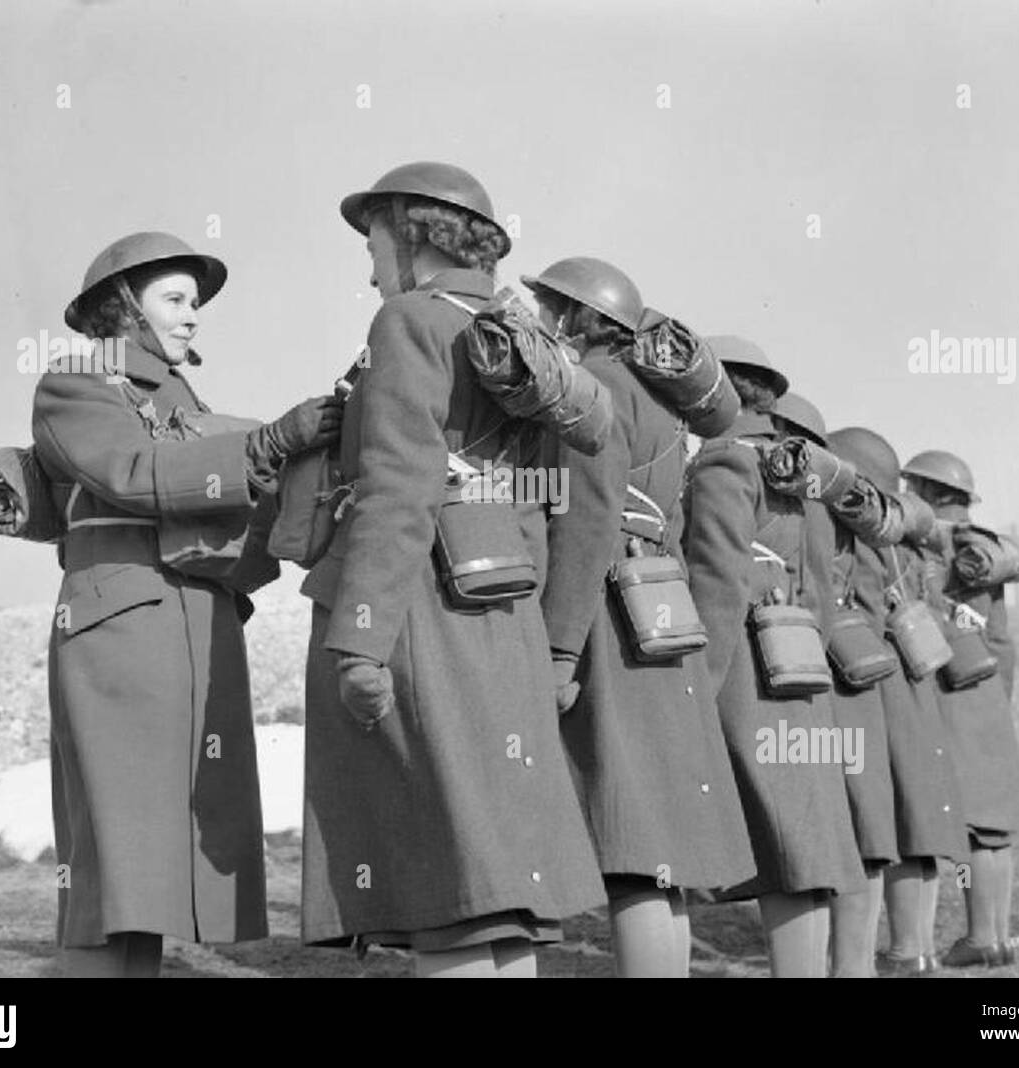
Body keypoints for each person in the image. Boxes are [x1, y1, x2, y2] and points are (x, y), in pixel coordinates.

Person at [299, 163, 606, 977]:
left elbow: (397, 488)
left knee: (443, 885)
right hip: (504, 611)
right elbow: (560, 501)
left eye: (373, 242)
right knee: (500, 884)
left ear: (414, 235)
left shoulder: (409, 321)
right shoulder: (519, 336)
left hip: (420, 613)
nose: (369, 266)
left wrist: (359, 640)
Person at [34, 232, 341, 977]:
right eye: (175, 299)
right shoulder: (76, 382)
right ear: (122, 308)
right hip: (123, 641)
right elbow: (137, 474)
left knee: (151, 889)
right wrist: (268, 443)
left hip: (195, 634)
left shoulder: (181, 399)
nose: (193, 316)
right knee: (111, 871)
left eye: (195, 302)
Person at [523, 260, 756, 977]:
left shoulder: (590, 391)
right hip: (658, 609)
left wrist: (560, 651)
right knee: (655, 850)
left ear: (576, 319)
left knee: (628, 845)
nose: (538, 318)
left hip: (605, 626)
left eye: (549, 308)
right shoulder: (658, 401)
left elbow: (587, 521)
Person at [686, 351, 867, 978]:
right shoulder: (799, 471)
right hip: (800, 670)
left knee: (780, 852)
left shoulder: (721, 463)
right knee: (805, 849)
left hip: (744, 675)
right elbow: (819, 590)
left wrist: (694, 696)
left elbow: (716, 587)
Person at [828, 428, 969, 976]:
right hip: (916, 682)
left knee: (866, 827)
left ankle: (865, 960)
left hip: (867, 686)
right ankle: (915, 947)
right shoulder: (910, 533)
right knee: (915, 822)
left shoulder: (851, 532)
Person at [771, 399, 900, 978]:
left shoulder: (843, 526)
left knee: (854, 834)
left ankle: (852, 966)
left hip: (843, 688)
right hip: (849, 689)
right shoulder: (863, 530)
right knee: (856, 832)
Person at [902, 450, 1019, 967]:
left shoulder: (924, 546)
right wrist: (998, 700)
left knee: (967, 827)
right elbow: (1000, 640)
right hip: (989, 694)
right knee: (994, 828)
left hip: (946, 696)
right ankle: (994, 936)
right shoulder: (987, 551)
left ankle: (973, 940)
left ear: (928, 492)